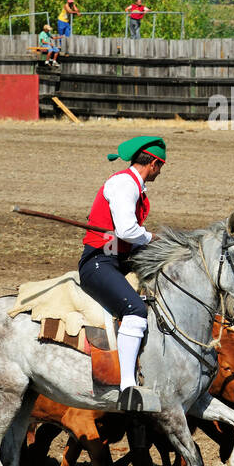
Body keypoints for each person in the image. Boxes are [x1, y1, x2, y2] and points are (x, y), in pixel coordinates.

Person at [77, 134, 166, 411]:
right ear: (152, 163)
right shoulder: (124, 185)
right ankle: (127, 386)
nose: (160, 173)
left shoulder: (133, 185)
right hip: (98, 262)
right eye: (160, 167)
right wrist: (152, 238)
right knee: (136, 310)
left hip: (120, 256)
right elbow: (127, 230)